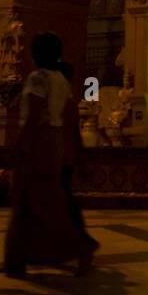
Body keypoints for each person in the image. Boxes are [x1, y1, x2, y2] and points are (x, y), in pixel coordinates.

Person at [3, 33, 97, 279]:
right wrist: (76, 152)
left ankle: (81, 246)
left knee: (42, 202)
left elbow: (34, 117)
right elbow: (69, 117)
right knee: (26, 202)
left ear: (36, 55)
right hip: (54, 141)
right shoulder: (60, 80)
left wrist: (19, 147)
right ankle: (15, 261)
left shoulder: (38, 78)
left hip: (39, 142)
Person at [56, 59, 98, 253]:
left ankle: (82, 241)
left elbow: (73, 134)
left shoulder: (68, 100)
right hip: (59, 158)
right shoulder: (64, 99)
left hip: (60, 159)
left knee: (64, 201)